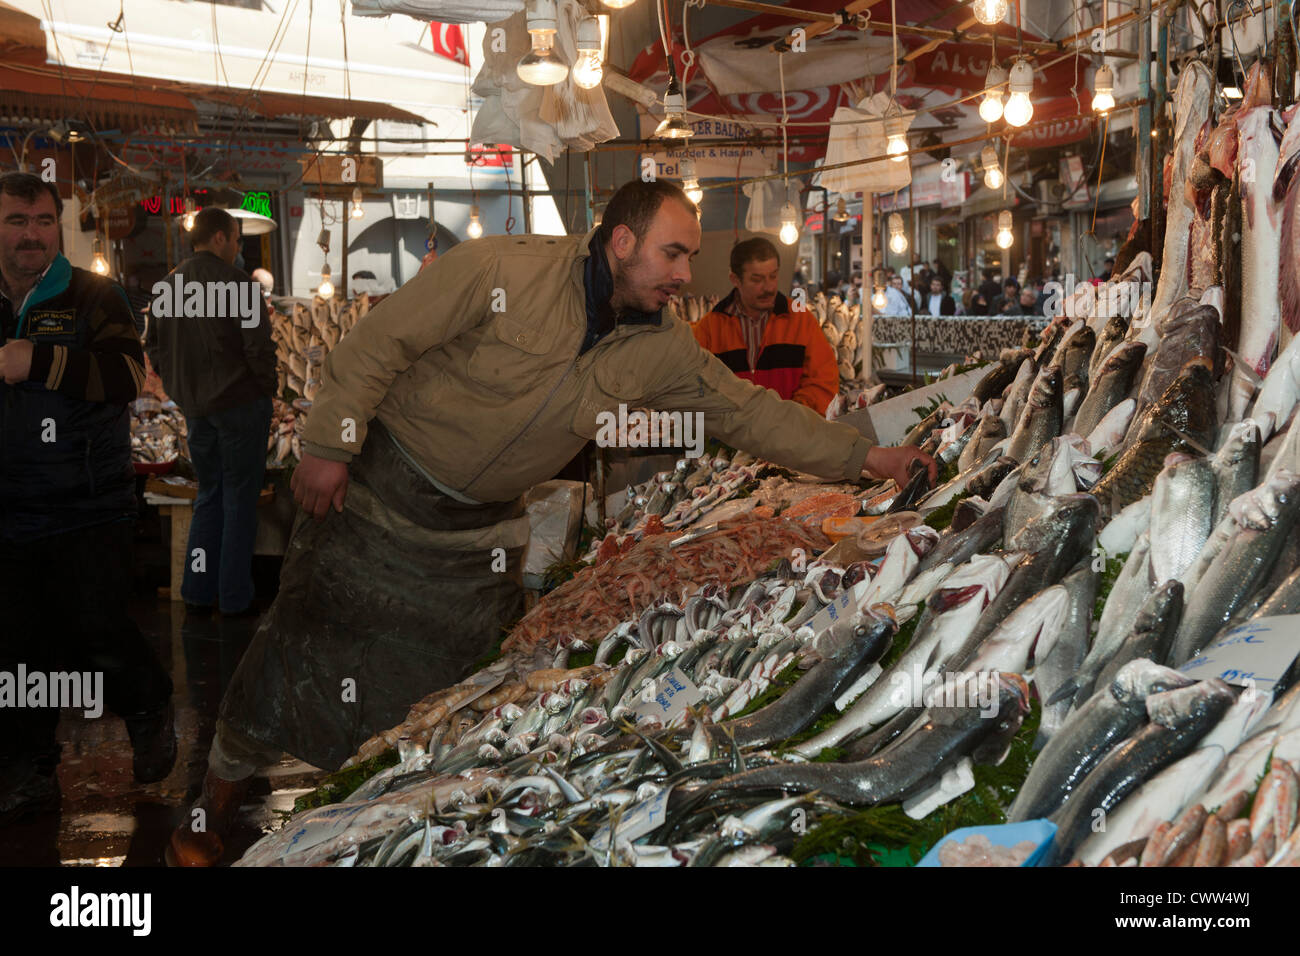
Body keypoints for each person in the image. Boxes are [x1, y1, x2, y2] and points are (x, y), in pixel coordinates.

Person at [167, 179, 936, 865]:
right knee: (287, 660)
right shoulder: (503, 269)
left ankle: (374, 834)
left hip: (475, 542)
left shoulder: (663, 345)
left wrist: (868, 460)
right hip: (374, 497)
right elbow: (380, 341)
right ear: (622, 241)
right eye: (673, 254)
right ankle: (214, 801)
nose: (684, 276)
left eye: (691, 258)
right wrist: (331, 442)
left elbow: (748, 414)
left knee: (445, 706)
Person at [0, 171, 175, 823]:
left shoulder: (92, 294)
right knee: (17, 648)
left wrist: (39, 362)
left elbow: (130, 375)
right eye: (17, 221)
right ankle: (29, 769)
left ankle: (148, 702)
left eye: (43, 221)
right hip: (8, 508)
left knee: (93, 629)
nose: (31, 234)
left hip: (86, 503)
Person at [146, 208, 277, 619]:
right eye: (237, 239)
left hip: (197, 409)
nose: (239, 248)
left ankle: (198, 592)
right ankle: (235, 598)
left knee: (209, 497)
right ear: (219, 237)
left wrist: (182, 391)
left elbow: (155, 350)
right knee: (239, 501)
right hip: (240, 406)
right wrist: (267, 393)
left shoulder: (166, 288)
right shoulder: (241, 285)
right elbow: (259, 350)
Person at [692, 238, 839, 415]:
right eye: (757, 279)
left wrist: (791, 416)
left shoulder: (801, 320)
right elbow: (696, 387)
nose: (768, 287)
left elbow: (823, 379)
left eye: (773, 276)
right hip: (730, 438)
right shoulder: (710, 328)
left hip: (791, 434)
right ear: (735, 279)